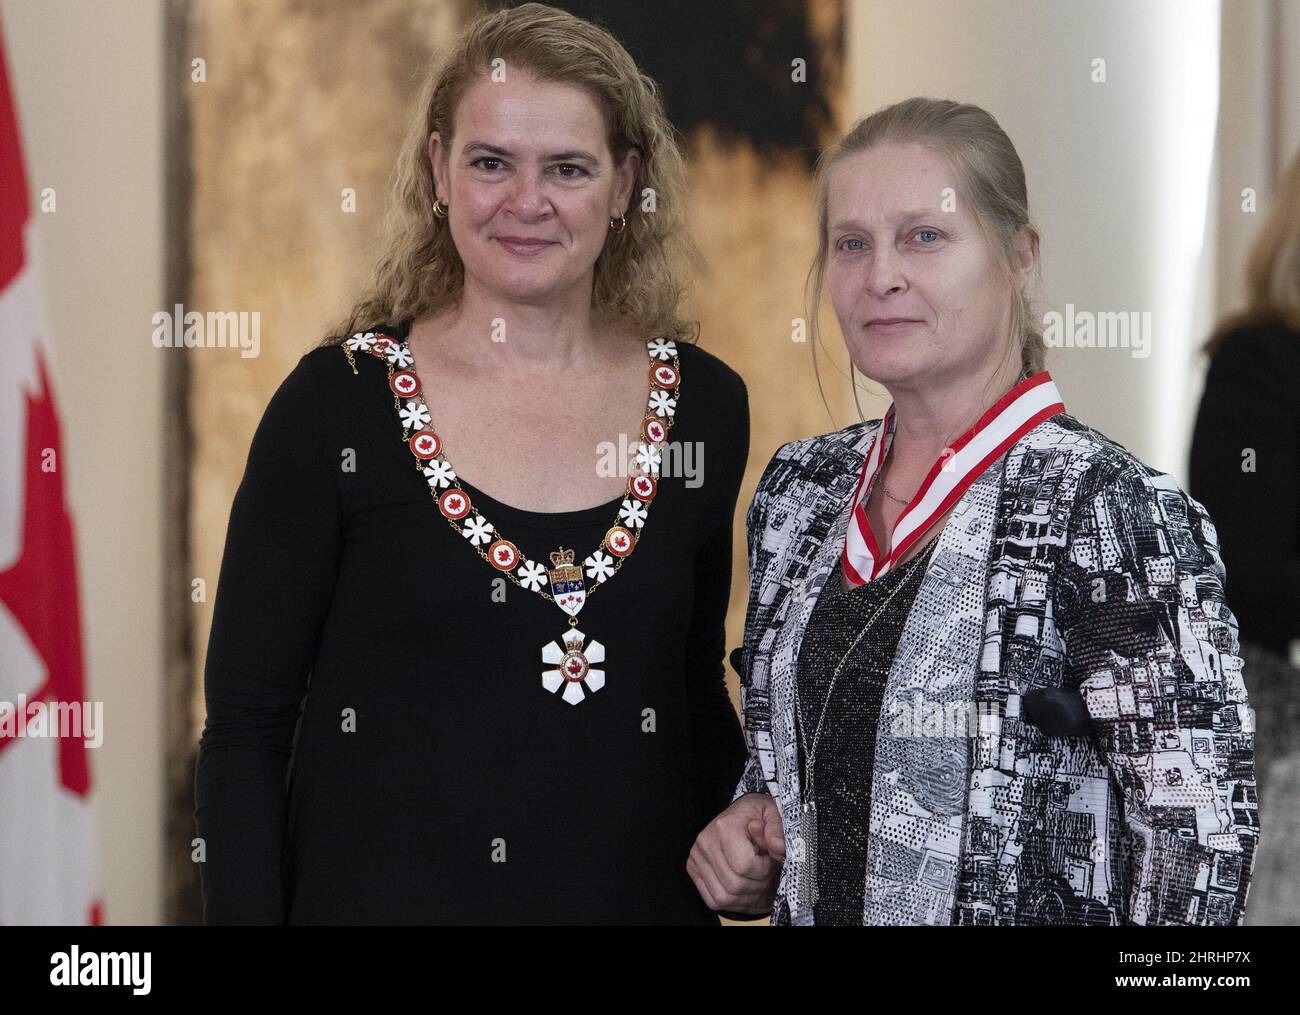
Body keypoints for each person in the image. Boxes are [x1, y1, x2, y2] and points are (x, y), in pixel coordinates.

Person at [195, 2, 750, 925]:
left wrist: (750, 827)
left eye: (568, 168)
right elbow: (246, 732)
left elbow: (686, 691)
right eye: (491, 162)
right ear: (438, 172)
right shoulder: (333, 405)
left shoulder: (705, 403)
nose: (525, 202)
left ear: (625, 186)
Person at [688, 97, 1258, 926]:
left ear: (1018, 253)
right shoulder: (800, 491)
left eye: (925, 235)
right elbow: (801, 755)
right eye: (852, 243)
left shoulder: (1112, 510)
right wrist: (755, 819)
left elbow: (1200, 853)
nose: (881, 274)